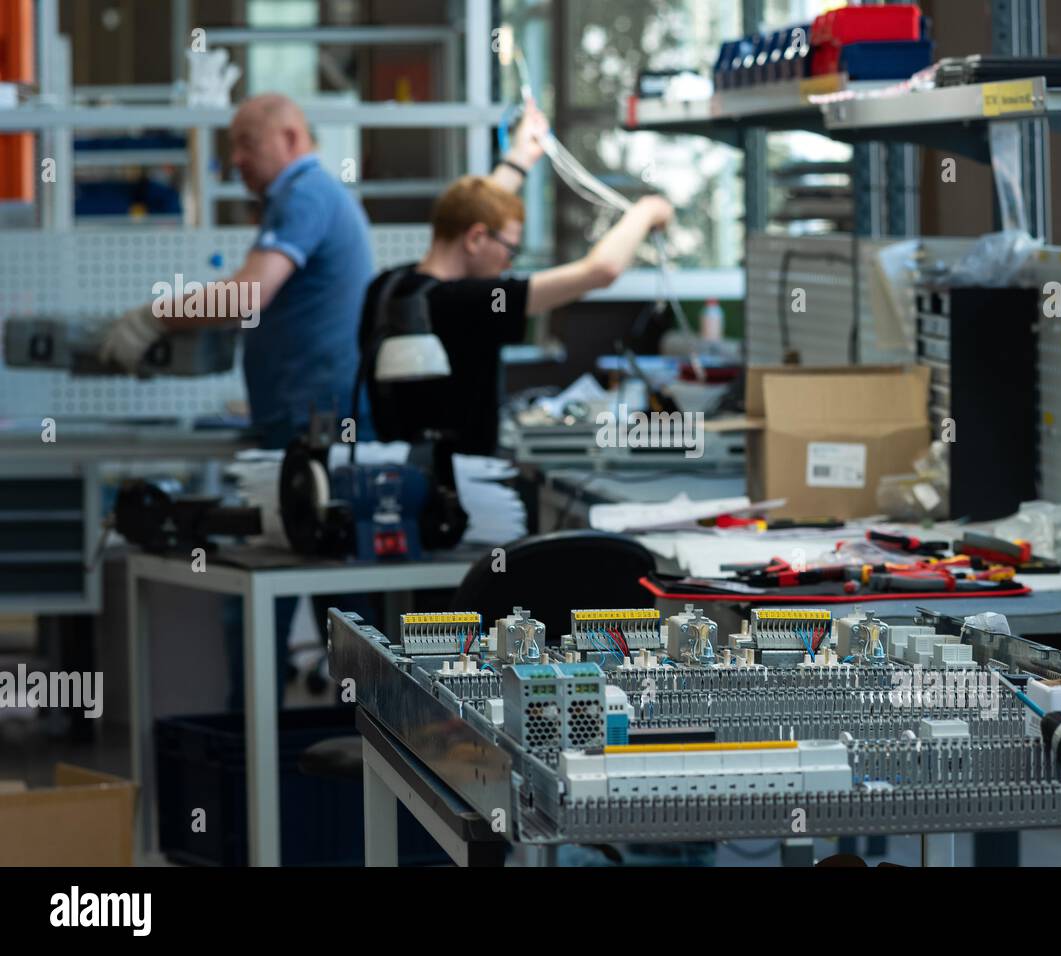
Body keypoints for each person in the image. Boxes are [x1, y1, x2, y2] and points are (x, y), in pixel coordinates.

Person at [97, 92, 377, 708]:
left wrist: (154, 317)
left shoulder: (304, 193)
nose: (237, 162)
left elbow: (246, 295)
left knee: (326, 611)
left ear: (291, 138)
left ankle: (274, 763)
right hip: (305, 427)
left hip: (317, 432)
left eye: (247, 145)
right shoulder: (308, 196)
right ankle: (329, 760)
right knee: (341, 611)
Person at [359, 102, 674, 454]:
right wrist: (647, 211)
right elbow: (601, 271)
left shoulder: (387, 286)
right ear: (475, 238)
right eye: (510, 251)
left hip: (394, 467)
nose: (508, 265)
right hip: (453, 484)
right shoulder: (472, 302)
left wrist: (520, 160)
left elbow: (468, 212)